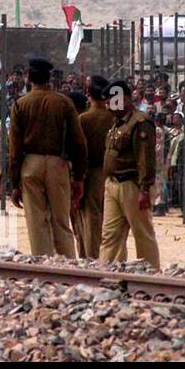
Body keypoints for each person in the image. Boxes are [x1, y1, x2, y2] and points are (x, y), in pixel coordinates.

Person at [7, 56, 87, 257]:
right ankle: (68, 264)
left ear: (29, 79)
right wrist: (79, 177)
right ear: (49, 79)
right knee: (61, 220)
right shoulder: (64, 103)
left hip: (29, 164)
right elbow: (78, 143)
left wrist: (14, 183)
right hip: (58, 163)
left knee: (36, 222)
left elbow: (14, 149)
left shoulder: (20, 104)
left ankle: (43, 263)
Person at [98, 80, 160, 268]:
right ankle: (108, 272)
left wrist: (144, 189)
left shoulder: (140, 123)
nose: (109, 105)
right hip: (113, 184)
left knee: (142, 234)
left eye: (113, 100)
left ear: (125, 98)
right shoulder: (117, 123)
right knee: (110, 235)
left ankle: (150, 274)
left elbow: (145, 159)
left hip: (132, 185)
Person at [72, 75, 112, 260]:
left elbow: (78, 151)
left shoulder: (83, 120)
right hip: (112, 174)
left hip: (91, 174)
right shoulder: (115, 118)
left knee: (90, 220)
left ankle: (91, 258)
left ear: (88, 94)